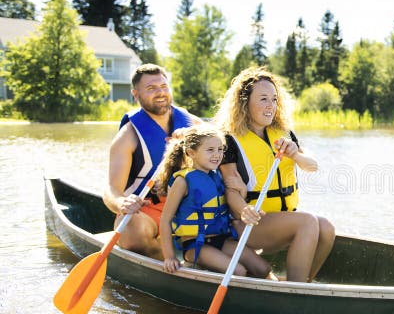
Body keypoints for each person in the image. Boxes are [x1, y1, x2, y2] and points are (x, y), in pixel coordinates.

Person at [214, 67, 335, 282]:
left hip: (281, 220)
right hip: (248, 224)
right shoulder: (229, 140)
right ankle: (295, 291)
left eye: (274, 99)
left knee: (326, 228)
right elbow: (232, 190)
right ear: (244, 103)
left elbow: (312, 166)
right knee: (307, 222)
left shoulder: (284, 134)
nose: (270, 106)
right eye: (263, 99)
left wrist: (295, 154)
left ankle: (303, 282)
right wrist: (245, 210)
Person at [102, 63, 199, 258]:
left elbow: (224, 137)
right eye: (151, 88)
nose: (160, 93)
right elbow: (111, 190)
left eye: (163, 87)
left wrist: (196, 135)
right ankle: (172, 258)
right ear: (135, 95)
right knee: (130, 229)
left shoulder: (190, 123)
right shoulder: (127, 137)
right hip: (149, 209)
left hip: (186, 205)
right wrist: (121, 203)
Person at [153, 124, 275, 278]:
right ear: (191, 152)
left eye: (220, 149)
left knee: (263, 269)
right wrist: (169, 257)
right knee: (238, 271)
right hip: (195, 245)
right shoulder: (182, 181)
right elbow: (165, 220)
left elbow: (227, 210)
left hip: (221, 240)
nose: (217, 155)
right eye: (210, 150)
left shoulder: (217, 176)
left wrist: (242, 192)